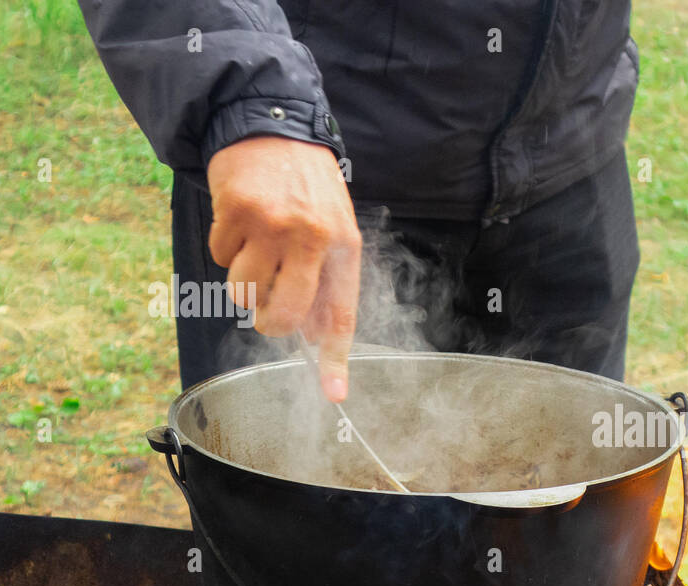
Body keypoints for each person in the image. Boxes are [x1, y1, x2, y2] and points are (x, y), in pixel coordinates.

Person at [79, 1, 640, 402]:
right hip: (310, 195)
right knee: (297, 545)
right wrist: (252, 96)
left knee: (571, 536)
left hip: (573, 175)